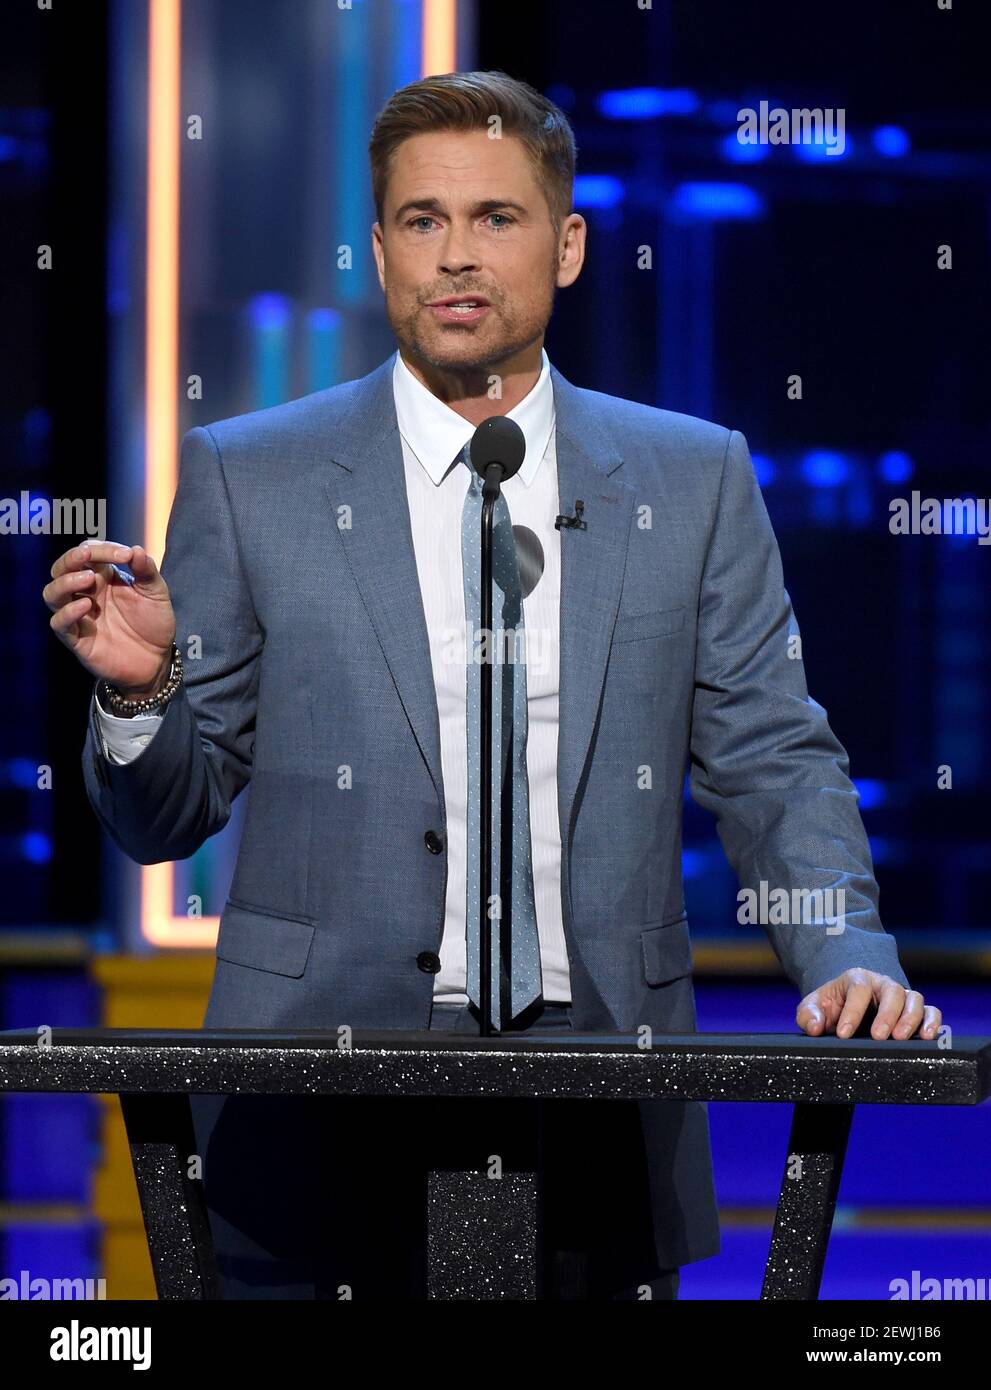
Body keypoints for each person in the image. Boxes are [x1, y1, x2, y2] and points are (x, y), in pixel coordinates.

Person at [44, 70, 940, 1300]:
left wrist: (847, 949)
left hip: (598, 1106)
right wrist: (144, 696)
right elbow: (165, 819)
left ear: (567, 245)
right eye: (422, 221)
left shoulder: (692, 480)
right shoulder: (252, 476)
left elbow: (772, 753)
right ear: (377, 250)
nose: (455, 255)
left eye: (495, 218)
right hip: (311, 1102)